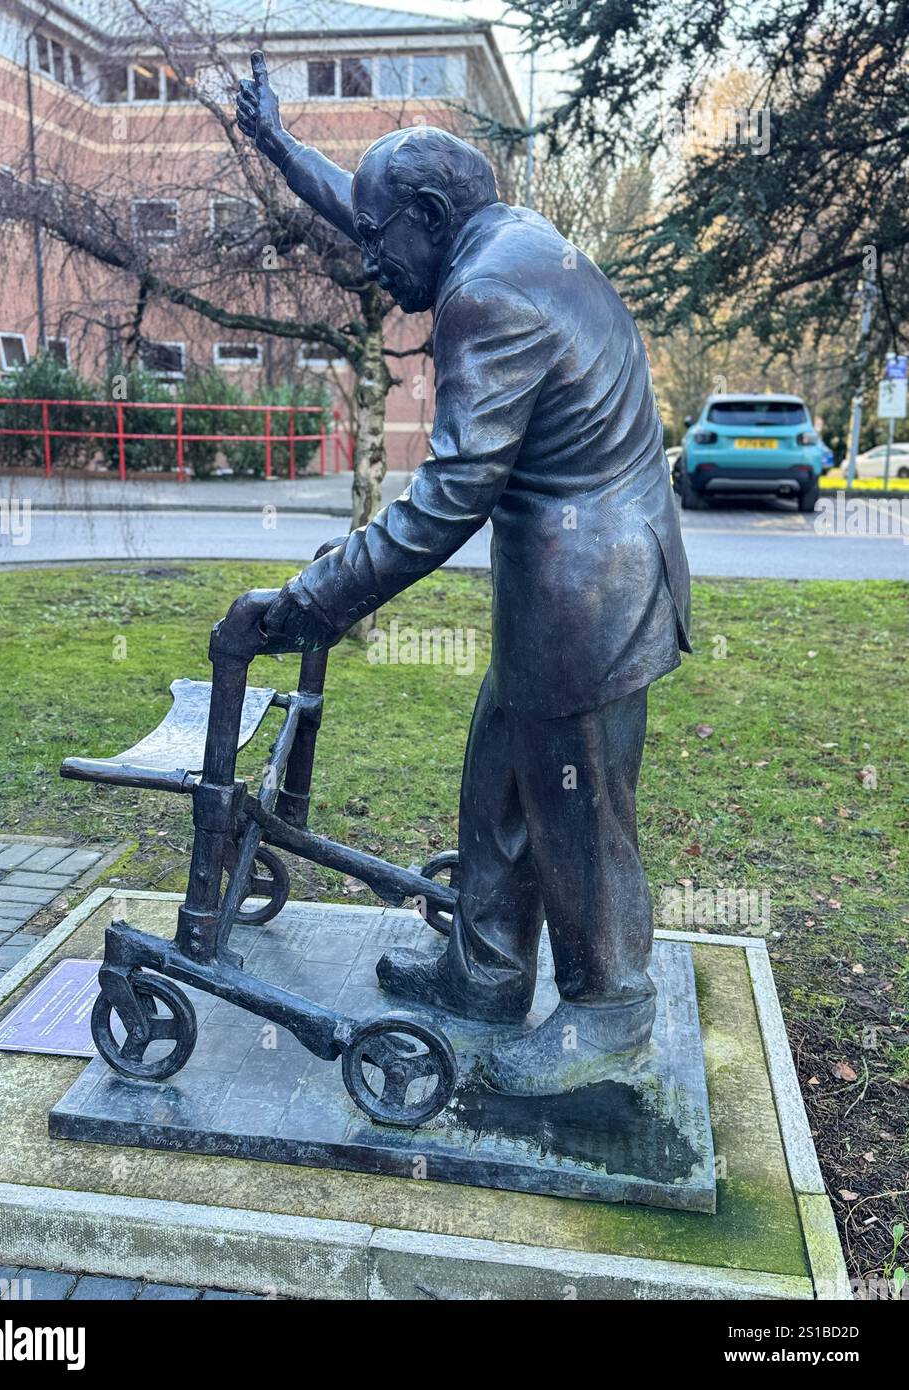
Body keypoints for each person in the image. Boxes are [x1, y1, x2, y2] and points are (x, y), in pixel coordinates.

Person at [224, 54, 692, 1095]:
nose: (370, 271)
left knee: (576, 802)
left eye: (382, 244)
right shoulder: (502, 239)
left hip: (593, 599)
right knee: (501, 779)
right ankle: (486, 971)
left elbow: (445, 500)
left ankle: (611, 1008)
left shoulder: (482, 295)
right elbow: (366, 209)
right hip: (575, 581)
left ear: (430, 219)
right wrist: (277, 142)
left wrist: (310, 603)